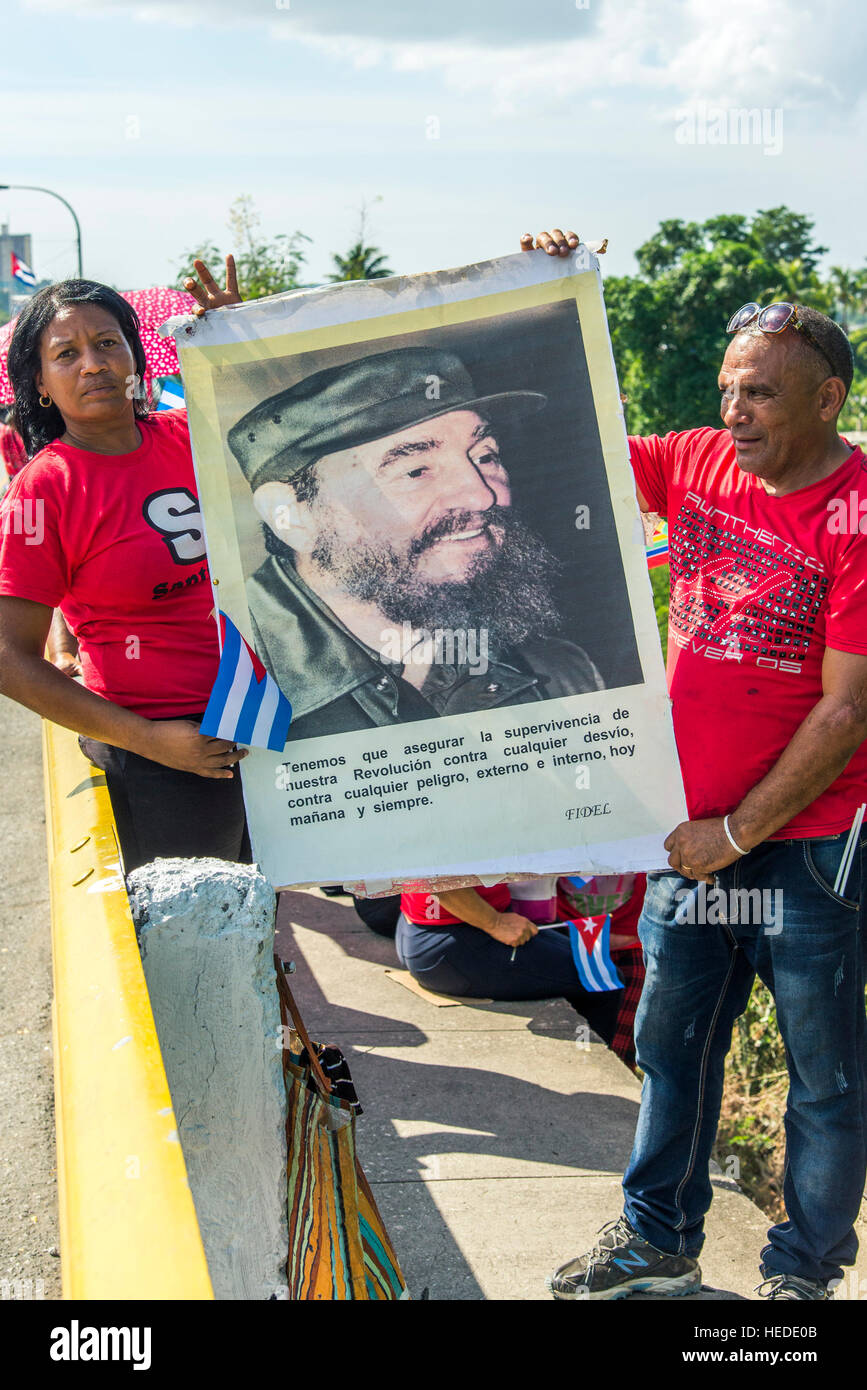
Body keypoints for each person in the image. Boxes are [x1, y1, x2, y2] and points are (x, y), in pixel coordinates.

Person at [523, 228, 867, 1301]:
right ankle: (656, 1241)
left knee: (822, 1078)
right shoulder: (697, 460)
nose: (735, 413)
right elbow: (558, 448)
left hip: (803, 854)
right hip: (690, 840)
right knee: (674, 1052)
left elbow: (848, 709)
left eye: (761, 394)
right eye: (728, 390)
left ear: (828, 400)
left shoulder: (857, 514)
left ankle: (802, 1275)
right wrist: (550, 294)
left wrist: (736, 833)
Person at [0, 262, 251, 874]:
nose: (93, 363)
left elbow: (291, 408)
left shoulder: (194, 435)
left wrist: (235, 335)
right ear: (39, 384)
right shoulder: (43, 492)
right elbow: (8, 656)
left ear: (136, 357)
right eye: (67, 353)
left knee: (258, 929)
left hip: (266, 727)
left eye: (108, 342)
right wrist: (152, 742)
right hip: (165, 761)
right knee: (197, 952)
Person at [228, 346, 604, 741]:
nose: (481, 497)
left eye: (485, 455)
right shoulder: (223, 693)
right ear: (294, 516)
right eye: (416, 470)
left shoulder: (562, 674)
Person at [396, 882, 623, 1050]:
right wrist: (493, 922)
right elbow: (435, 876)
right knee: (604, 978)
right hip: (451, 943)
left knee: (583, 959)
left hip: (427, 930)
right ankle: (587, 1066)